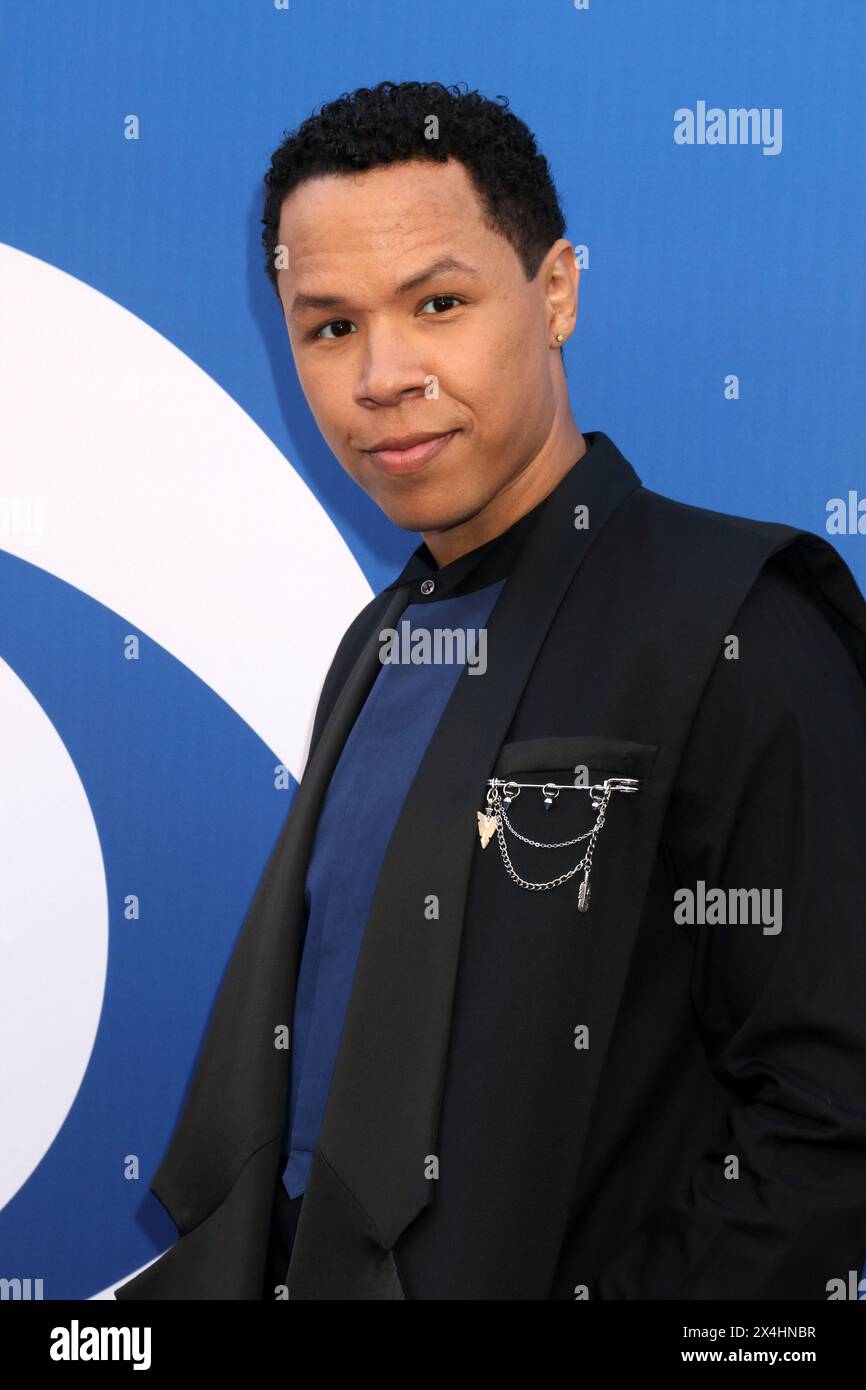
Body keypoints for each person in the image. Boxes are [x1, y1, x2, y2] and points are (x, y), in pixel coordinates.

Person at [116, 80, 866, 1301]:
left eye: (439, 303)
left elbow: (831, 1114)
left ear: (555, 291)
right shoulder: (380, 640)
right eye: (328, 327)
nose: (383, 375)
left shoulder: (737, 623)